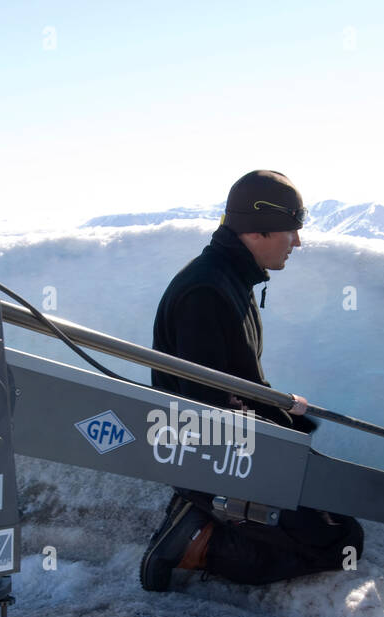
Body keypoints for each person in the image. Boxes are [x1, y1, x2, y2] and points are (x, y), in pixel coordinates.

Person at [140, 170, 364, 591]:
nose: (297, 243)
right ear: (256, 231)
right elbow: (209, 406)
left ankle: (205, 513)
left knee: (334, 512)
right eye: (291, 231)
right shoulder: (206, 292)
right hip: (210, 454)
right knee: (339, 541)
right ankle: (198, 540)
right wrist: (277, 440)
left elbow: (235, 385)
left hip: (223, 445)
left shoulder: (228, 278)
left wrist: (283, 413)